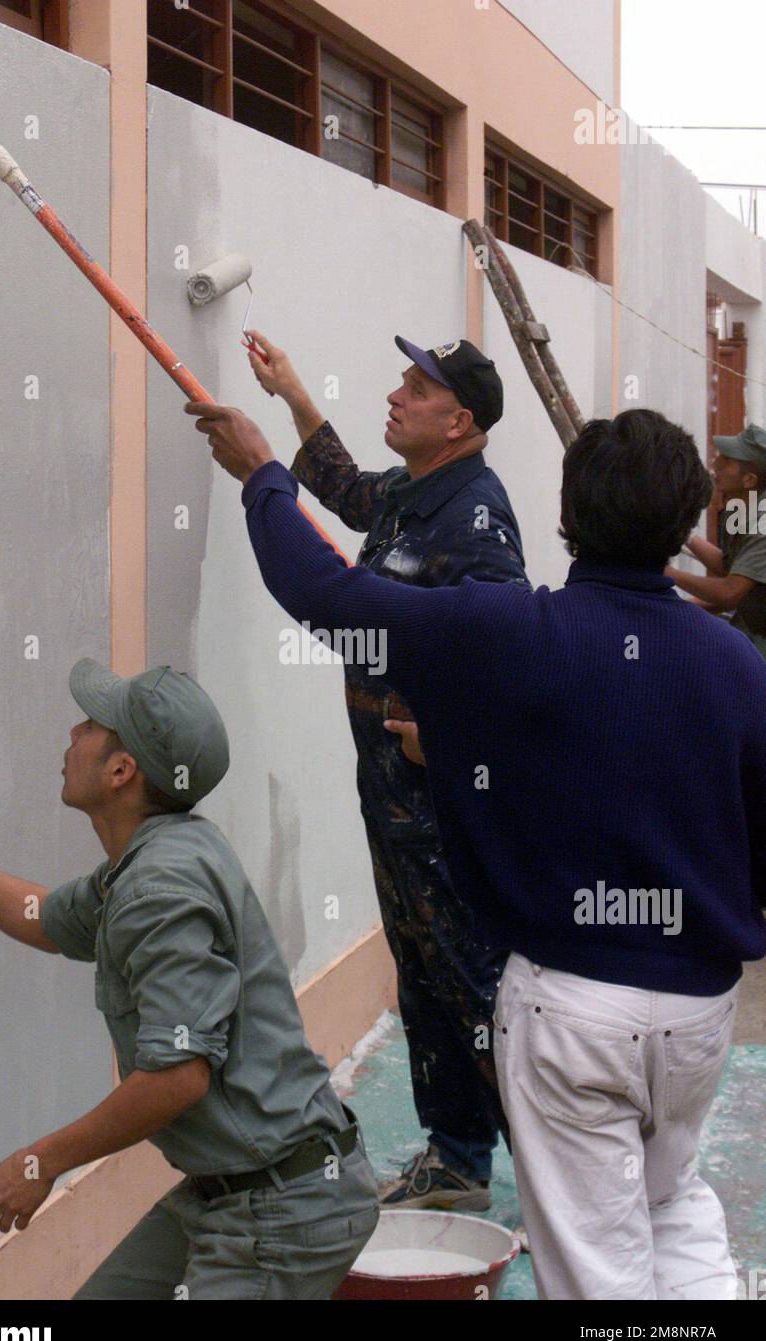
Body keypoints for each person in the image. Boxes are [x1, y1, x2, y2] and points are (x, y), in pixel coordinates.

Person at [185, 398, 766, 1300]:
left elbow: (329, 595)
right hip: (697, 1014)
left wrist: (263, 474)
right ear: (685, 523)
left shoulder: (507, 632)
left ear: (567, 516)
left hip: (573, 1012)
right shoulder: (738, 667)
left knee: (600, 1271)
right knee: (670, 1206)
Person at [0, 660, 378, 1300]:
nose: (73, 733)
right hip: (230, 1191)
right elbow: (43, 918)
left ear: (122, 770)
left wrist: (41, 1161)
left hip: (278, 1212)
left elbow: (177, 1076)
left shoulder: (159, 889)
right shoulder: (159, 854)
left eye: (91, 726)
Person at [244, 329, 528, 1210]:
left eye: (418, 387)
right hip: (392, 800)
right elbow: (347, 489)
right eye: (404, 379)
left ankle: (558, 1169)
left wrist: (447, 735)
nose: (398, 395)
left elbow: (504, 655)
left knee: (471, 985)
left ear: (460, 421)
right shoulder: (415, 492)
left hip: (441, 805)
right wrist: (292, 392)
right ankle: (457, 1161)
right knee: (425, 980)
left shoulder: (477, 519)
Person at [666, 423, 766, 659]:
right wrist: (684, 534)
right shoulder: (742, 508)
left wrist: (662, 571)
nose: (716, 463)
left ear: (749, 480)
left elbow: (730, 592)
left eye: (727, 460)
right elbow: (728, 565)